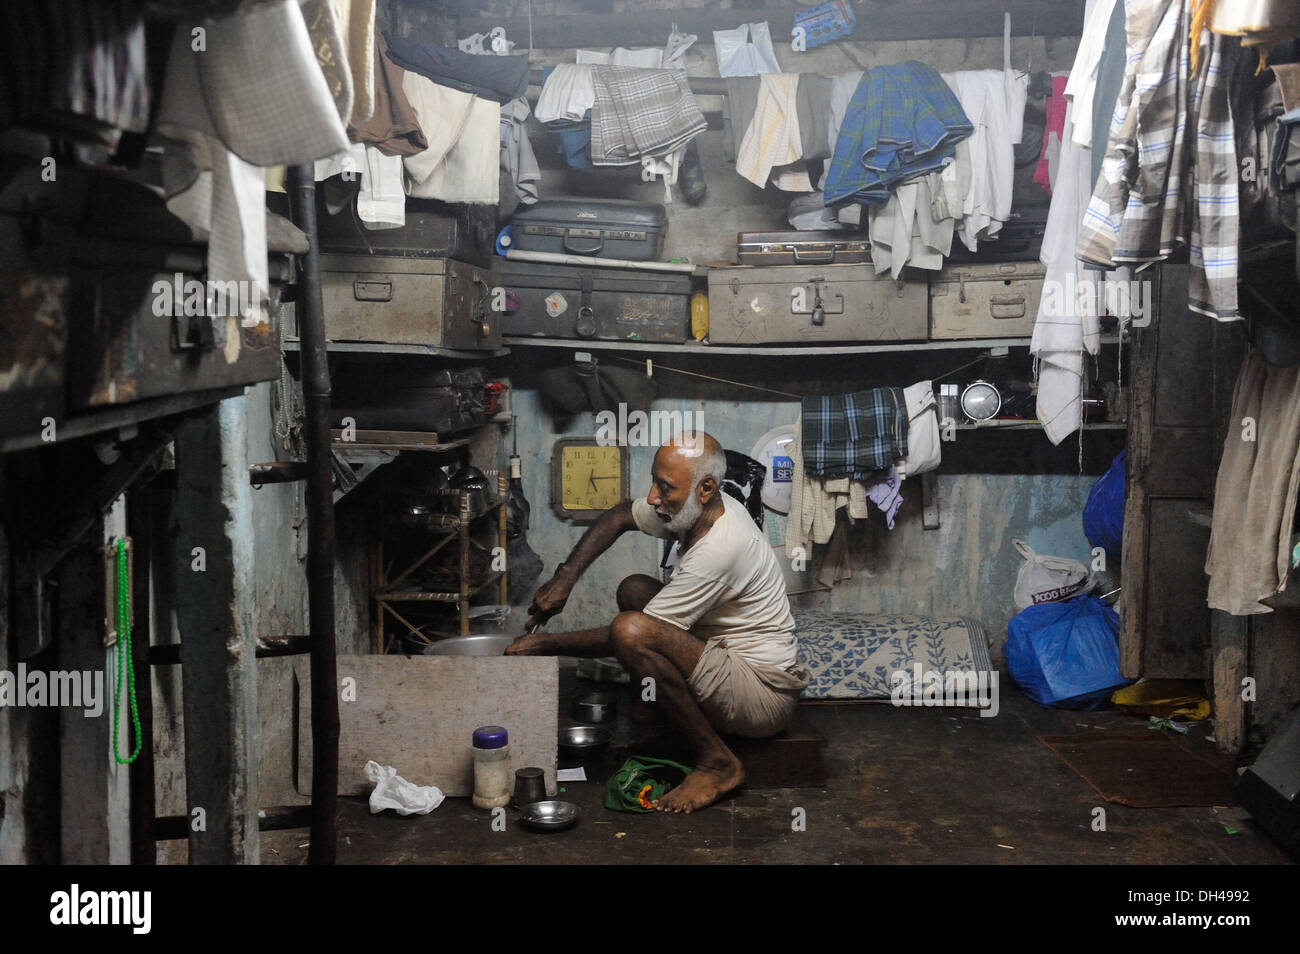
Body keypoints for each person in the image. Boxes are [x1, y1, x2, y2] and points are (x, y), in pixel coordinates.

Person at [506, 431, 809, 813]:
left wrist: (542, 646)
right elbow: (620, 516)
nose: (653, 497)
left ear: (706, 488)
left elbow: (632, 634)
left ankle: (718, 763)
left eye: (664, 488)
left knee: (630, 630)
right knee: (634, 589)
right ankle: (657, 702)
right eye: (655, 482)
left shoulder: (722, 545)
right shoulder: (695, 507)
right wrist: (565, 577)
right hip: (724, 657)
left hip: (761, 694)